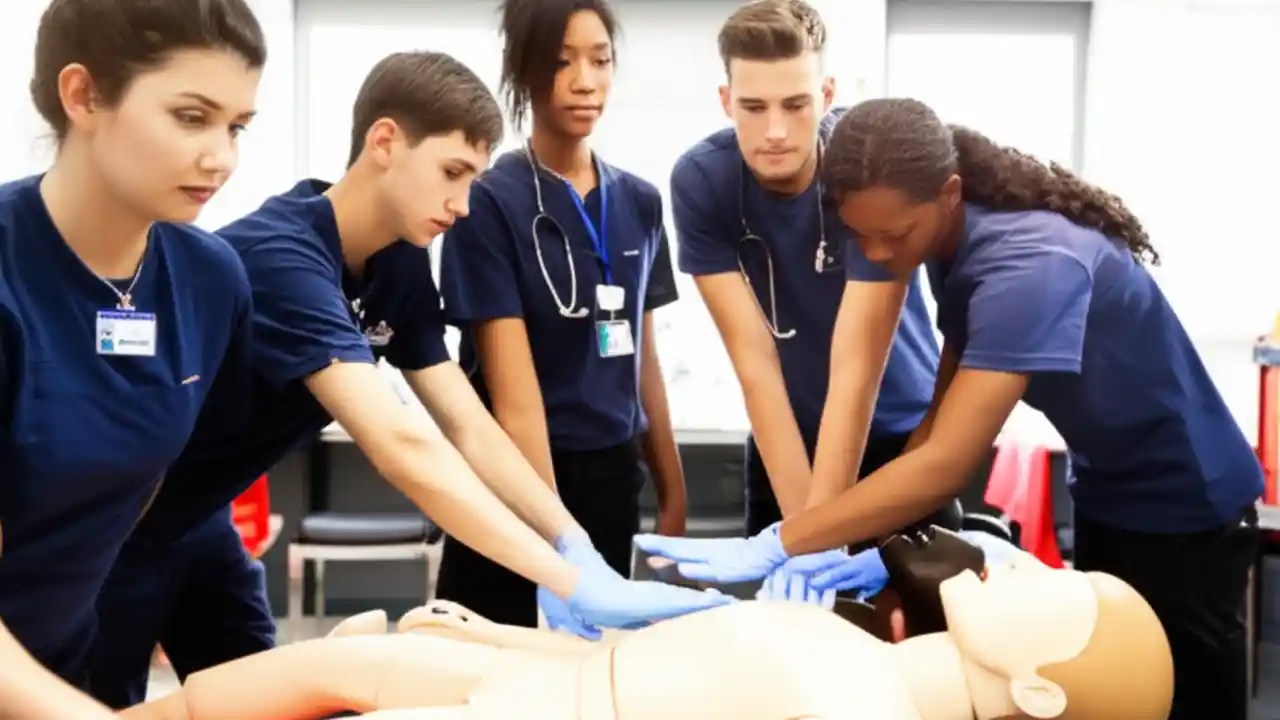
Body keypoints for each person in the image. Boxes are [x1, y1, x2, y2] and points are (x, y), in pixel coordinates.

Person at [88, 50, 729, 708]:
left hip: (200, 524)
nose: (462, 205)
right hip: (113, 529)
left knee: (277, 701)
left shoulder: (398, 265)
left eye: (474, 180)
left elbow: (467, 425)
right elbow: (401, 442)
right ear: (386, 142)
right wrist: (564, 578)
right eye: (452, 173)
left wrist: (573, 541)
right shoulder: (281, 258)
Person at [636, 97, 1264, 720]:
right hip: (1109, 490)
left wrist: (785, 538)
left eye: (894, 235)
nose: (877, 255)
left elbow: (945, 464)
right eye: (862, 236)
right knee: (1109, 696)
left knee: (1185, 700)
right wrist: (866, 543)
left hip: (1188, 507)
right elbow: (938, 417)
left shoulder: (1031, 264)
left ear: (950, 192)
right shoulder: (953, 242)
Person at [0, 0, 265, 687]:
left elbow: (154, 480)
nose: (222, 157)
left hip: (67, 662)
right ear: (83, 94)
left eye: (237, 127)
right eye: (191, 117)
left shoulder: (210, 281)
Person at [119, 561, 1174, 720]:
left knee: (324, 671)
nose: (1022, 566)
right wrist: (498, 633)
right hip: (527, 682)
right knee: (333, 662)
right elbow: (611, 670)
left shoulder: (858, 702)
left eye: (1056, 588)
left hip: (518, 714)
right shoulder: (851, 664)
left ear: (1038, 689)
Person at [436, 0, 687, 628]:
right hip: (511, 479)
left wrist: (673, 492)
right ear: (522, 72)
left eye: (600, 61)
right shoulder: (487, 202)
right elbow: (513, 397)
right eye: (561, 62)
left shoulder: (639, 201)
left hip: (609, 476)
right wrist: (559, 541)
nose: (585, 80)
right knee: (488, 665)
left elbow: (641, 359)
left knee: (591, 669)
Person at [669, 0, 942, 543]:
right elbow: (754, 360)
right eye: (754, 106)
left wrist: (819, 535)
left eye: (796, 105)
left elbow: (856, 365)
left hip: (899, 437)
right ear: (726, 102)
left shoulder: (869, 167)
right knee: (795, 615)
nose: (775, 130)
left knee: (907, 622)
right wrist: (807, 538)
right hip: (787, 438)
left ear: (827, 95)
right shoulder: (702, 182)